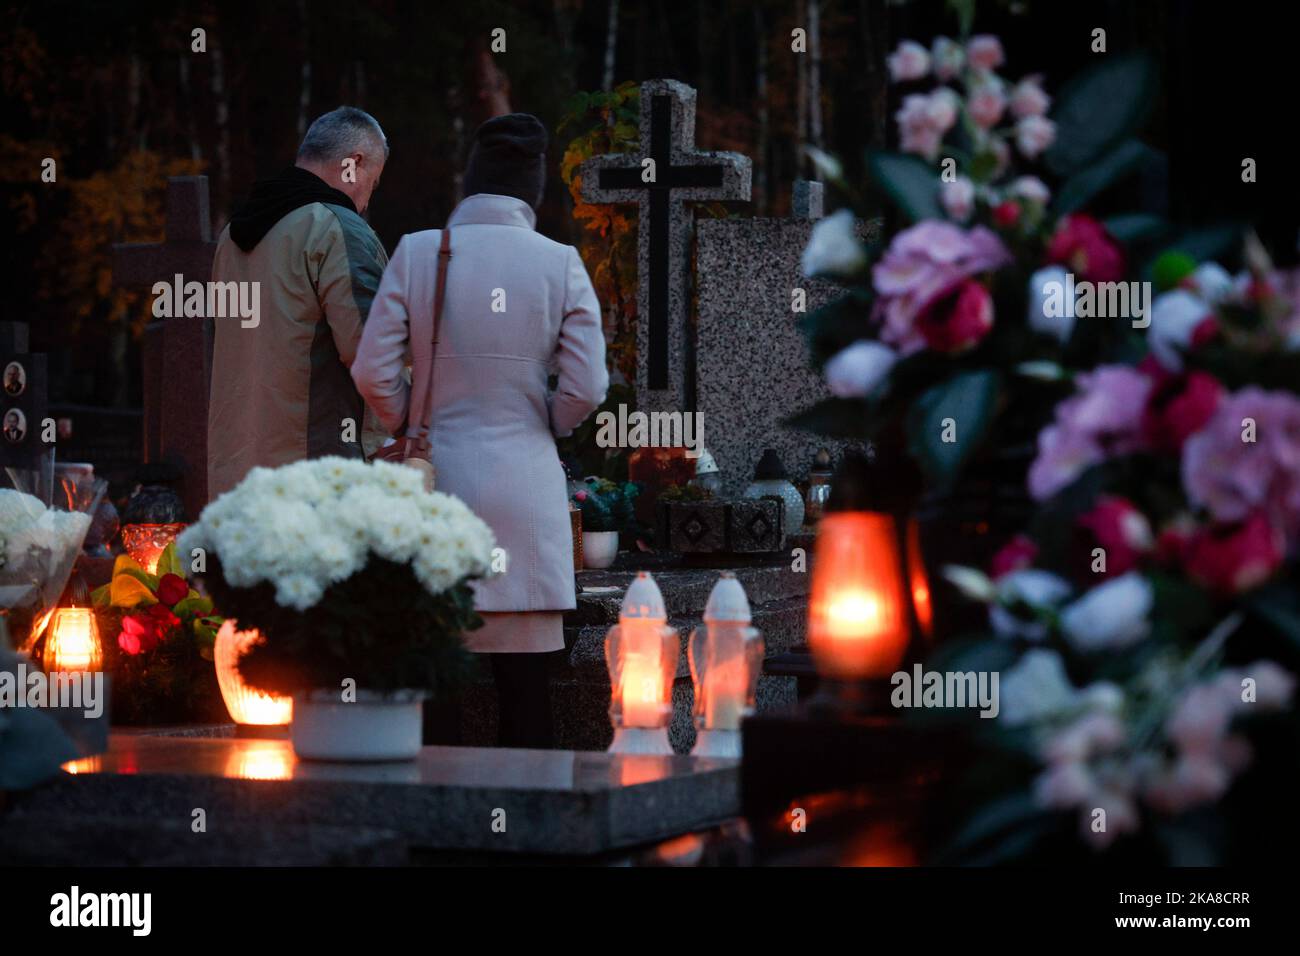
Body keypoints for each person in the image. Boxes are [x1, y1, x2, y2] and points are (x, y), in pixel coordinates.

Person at [353, 113, 608, 749]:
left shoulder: (416, 251)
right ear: (535, 188)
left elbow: (371, 370)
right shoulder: (562, 263)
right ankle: (532, 830)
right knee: (528, 694)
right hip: (525, 497)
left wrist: (411, 420)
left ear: (471, 182)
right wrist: (542, 425)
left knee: (438, 686)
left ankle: (440, 831)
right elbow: (586, 388)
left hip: (436, 487)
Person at [207, 106, 391, 498]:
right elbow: (372, 353)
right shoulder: (337, 228)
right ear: (353, 164)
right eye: (371, 185)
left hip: (234, 485)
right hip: (314, 487)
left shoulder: (231, 236)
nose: (365, 203)